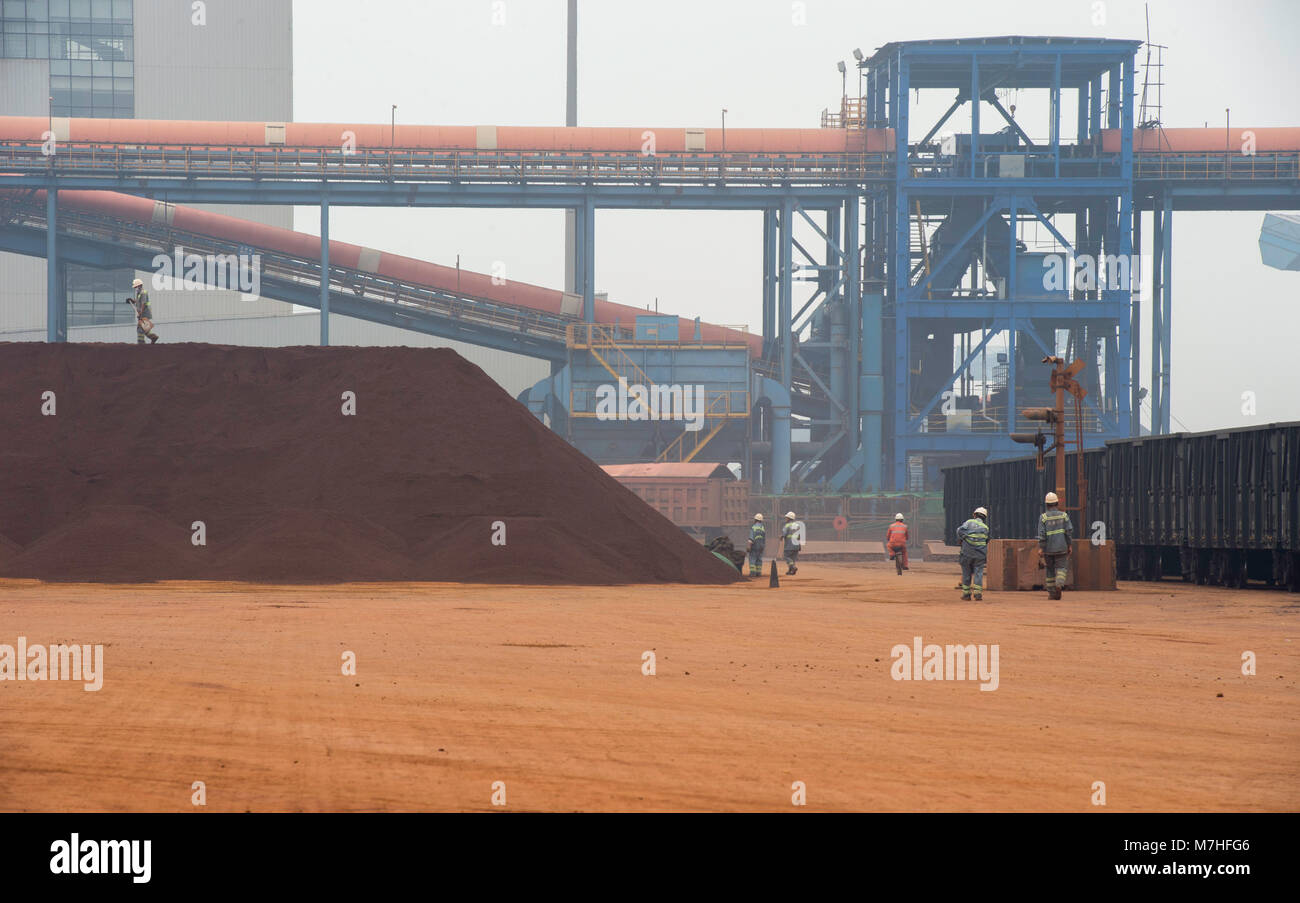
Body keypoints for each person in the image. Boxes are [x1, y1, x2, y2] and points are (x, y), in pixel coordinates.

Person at [1038, 491, 1073, 600]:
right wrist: (1069, 545)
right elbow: (1068, 532)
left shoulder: (1043, 517)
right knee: (1062, 568)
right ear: (1057, 503)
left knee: (1050, 570)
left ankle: (1052, 593)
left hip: (1048, 549)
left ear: (1046, 504)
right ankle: (1059, 584)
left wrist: (1041, 548)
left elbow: (1042, 535)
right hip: (1062, 547)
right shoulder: (1064, 516)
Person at [956, 506, 989, 601]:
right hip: (980, 554)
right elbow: (986, 540)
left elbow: (959, 531)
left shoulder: (969, 522)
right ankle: (978, 594)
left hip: (967, 552)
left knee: (966, 573)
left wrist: (962, 538)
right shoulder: (985, 527)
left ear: (974, 515)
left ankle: (966, 594)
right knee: (978, 573)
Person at [124, 278, 159, 344]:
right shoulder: (139, 293)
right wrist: (131, 300)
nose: (135, 288)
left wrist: (140, 313)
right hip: (141, 313)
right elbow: (137, 301)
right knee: (144, 328)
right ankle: (153, 337)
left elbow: (143, 304)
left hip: (145, 313)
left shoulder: (143, 292)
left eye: (135, 287)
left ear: (139, 286)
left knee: (140, 328)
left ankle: (141, 342)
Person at [745, 513, 766, 577]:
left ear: (755, 520)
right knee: (759, 559)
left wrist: (748, 546)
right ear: (761, 520)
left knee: (752, 559)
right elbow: (764, 539)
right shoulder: (762, 528)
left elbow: (751, 538)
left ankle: (752, 573)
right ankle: (758, 573)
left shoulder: (753, 527)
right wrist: (763, 546)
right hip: (761, 547)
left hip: (754, 547)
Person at [781, 511, 802, 575]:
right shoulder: (797, 525)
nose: (786, 519)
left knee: (787, 556)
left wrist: (780, 537)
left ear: (789, 518)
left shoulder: (787, 525)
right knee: (793, 559)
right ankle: (791, 571)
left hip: (789, 545)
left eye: (786, 518)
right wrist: (799, 545)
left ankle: (793, 567)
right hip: (796, 545)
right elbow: (799, 536)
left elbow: (784, 534)